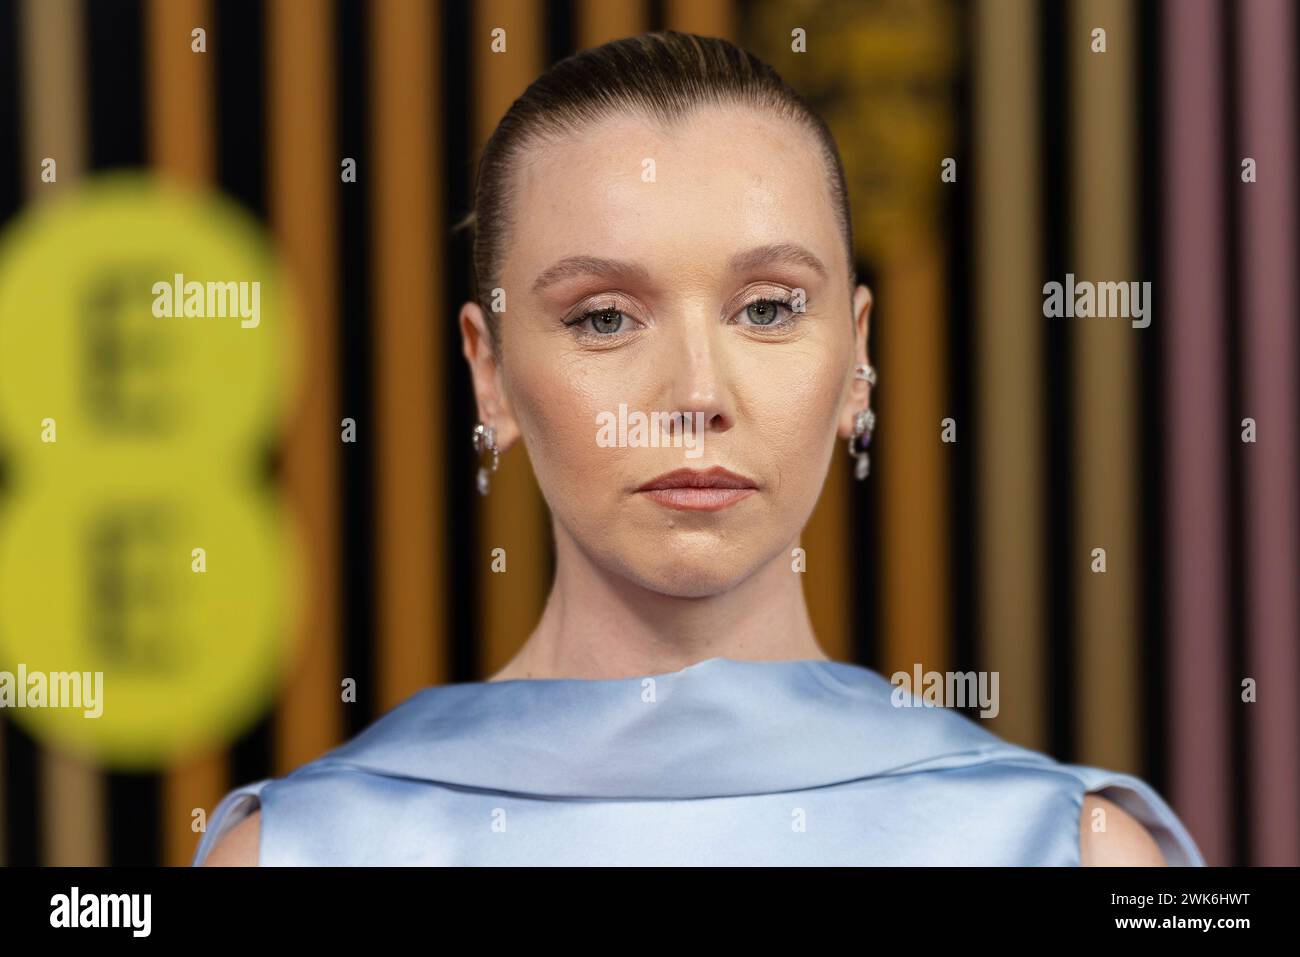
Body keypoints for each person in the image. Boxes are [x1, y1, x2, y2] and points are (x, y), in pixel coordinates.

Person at [195, 31, 1203, 867]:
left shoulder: (1071, 847)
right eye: (602, 319)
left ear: (857, 360)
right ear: (489, 373)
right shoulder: (296, 848)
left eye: (766, 308)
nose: (695, 396)